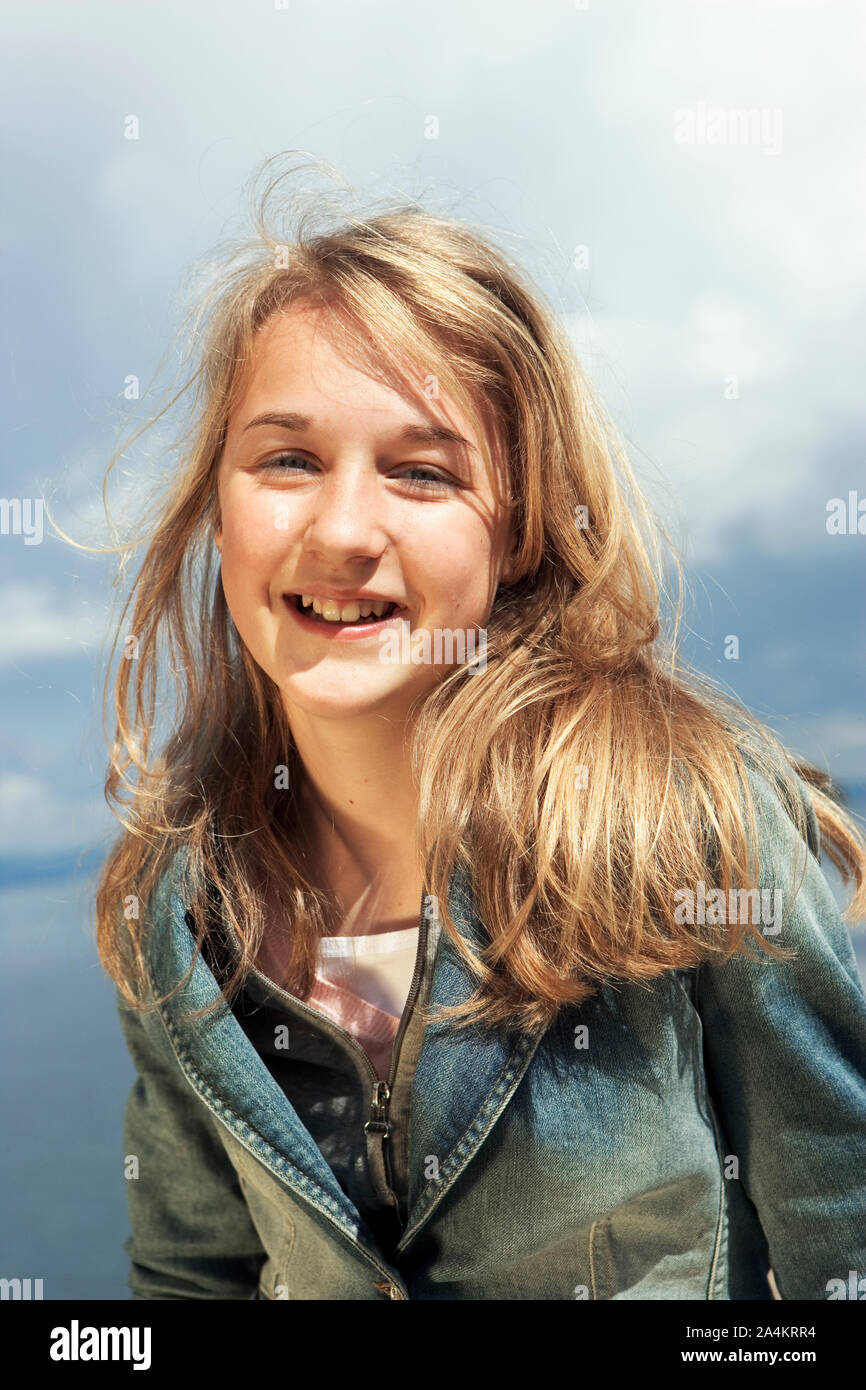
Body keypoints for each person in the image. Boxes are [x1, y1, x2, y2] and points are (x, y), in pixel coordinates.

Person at [91, 156, 866, 1300]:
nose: (344, 528)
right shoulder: (182, 906)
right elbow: (188, 1275)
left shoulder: (690, 824)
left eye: (420, 472)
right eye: (287, 459)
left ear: (517, 530)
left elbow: (841, 1236)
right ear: (217, 505)